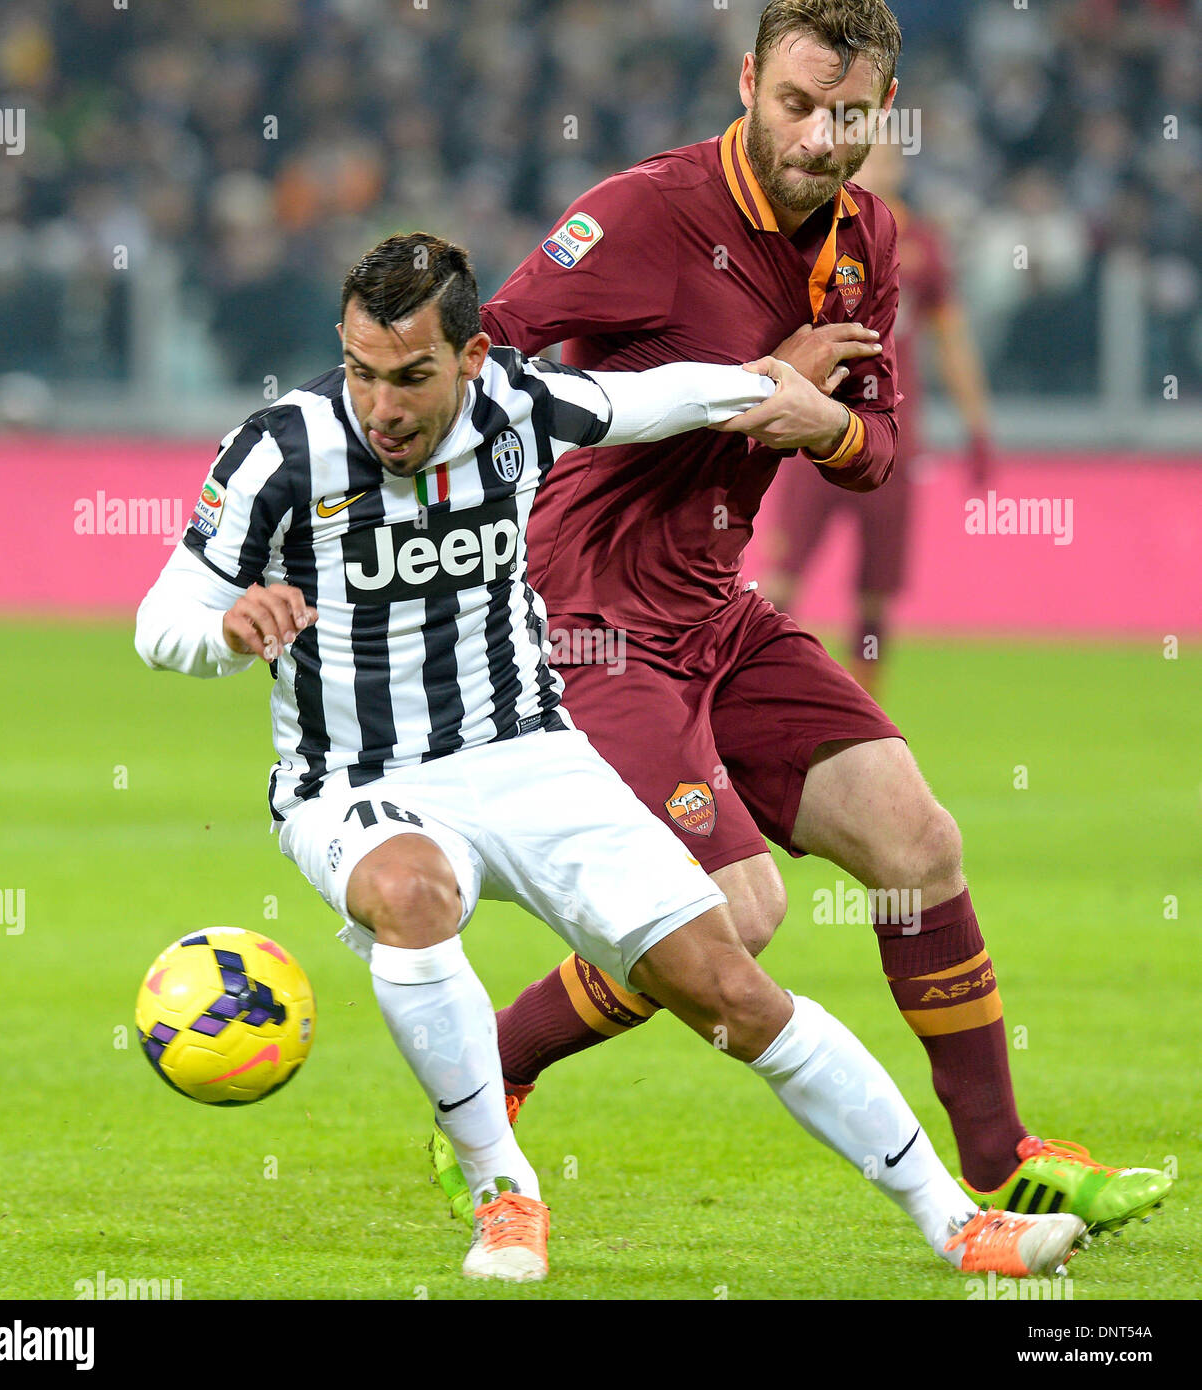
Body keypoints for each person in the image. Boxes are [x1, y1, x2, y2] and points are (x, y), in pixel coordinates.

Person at [135, 233, 1084, 1284]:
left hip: (531, 757)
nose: (382, 406)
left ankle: (956, 1222)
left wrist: (769, 380)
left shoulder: (521, 411)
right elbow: (160, 619)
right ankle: (503, 1193)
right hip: (356, 780)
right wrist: (224, 633)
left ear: (473, 357)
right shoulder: (280, 450)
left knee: (728, 985)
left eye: (410, 376)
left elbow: (657, 399)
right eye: (361, 370)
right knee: (411, 893)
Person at [431, 0, 1171, 1235]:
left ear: (882, 110)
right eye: (795, 105)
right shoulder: (643, 213)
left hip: (718, 606)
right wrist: (708, 396)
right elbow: (486, 361)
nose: (822, 137)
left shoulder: (864, 239)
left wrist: (814, 421)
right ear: (745, 82)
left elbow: (871, 447)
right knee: (740, 916)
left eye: (851, 114)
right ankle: (489, 1082)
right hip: (591, 610)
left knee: (914, 840)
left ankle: (1001, 1158)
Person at [755, 137, 994, 699]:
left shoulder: (923, 246)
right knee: (783, 579)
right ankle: (758, 691)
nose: (877, 169)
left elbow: (951, 340)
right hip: (814, 430)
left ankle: (863, 707)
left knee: (875, 593)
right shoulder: (815, 233)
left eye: (886, 158)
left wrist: (977, 426)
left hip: (892, 443)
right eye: (866, 159)